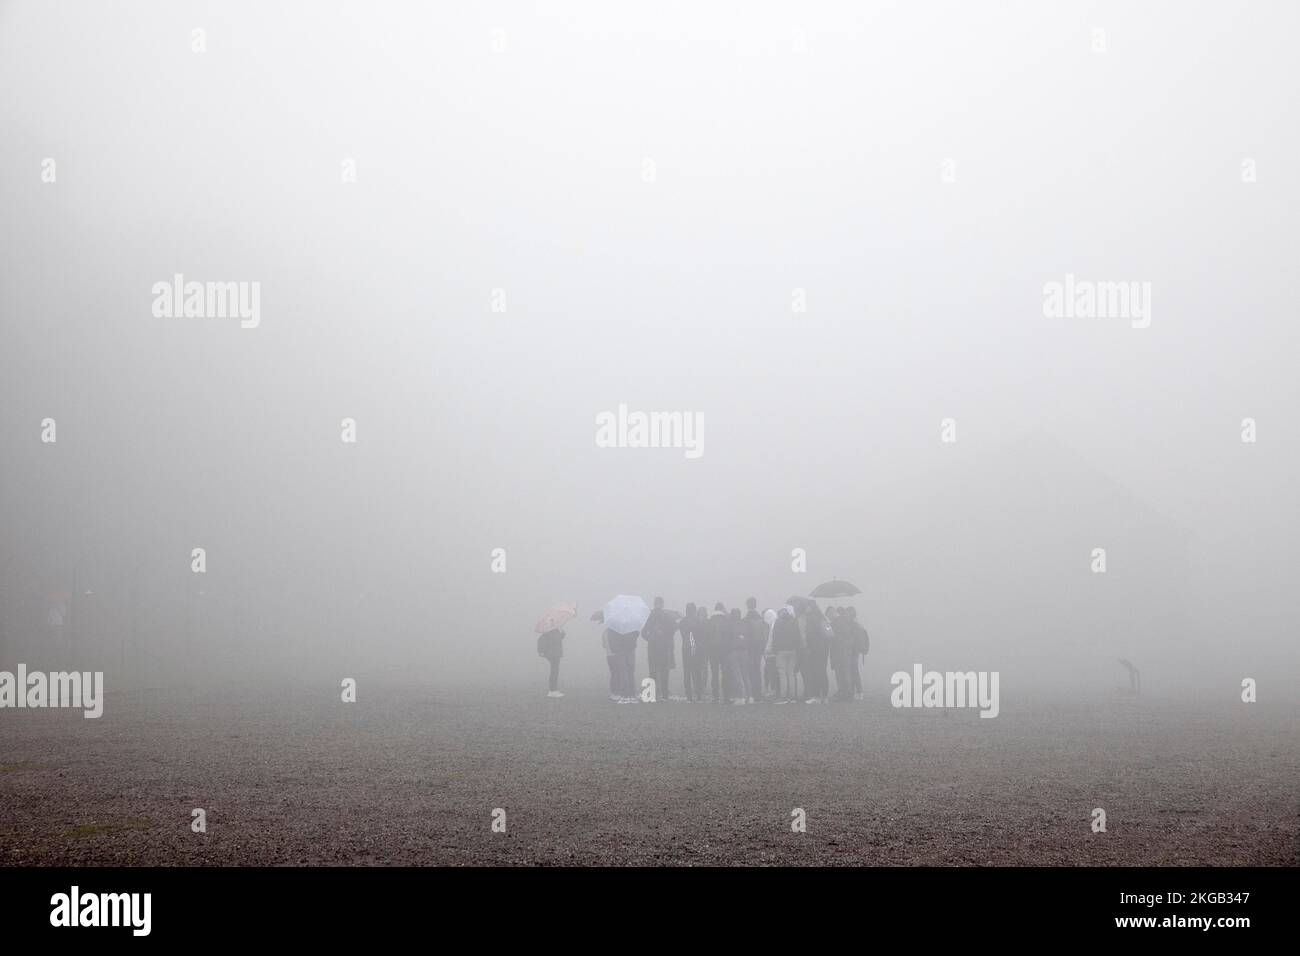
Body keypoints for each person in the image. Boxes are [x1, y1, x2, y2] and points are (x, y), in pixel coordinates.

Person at [642, 597, 676, 702]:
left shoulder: (649, 616)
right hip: (664, 647)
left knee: (652, 671)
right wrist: (665, 636)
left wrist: (650, 638)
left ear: (654, 604)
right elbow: (673, 630)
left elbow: (643, 633)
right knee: (664, 671)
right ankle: (665, 695)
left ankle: (652, 694)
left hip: (652, 648)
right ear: (662, 604)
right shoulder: (667, 616)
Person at [770, 606, 800, 702]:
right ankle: (792, 696)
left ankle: (784, 695)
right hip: (793, 650)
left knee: (782, 673)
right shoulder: (794, 622)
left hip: (781, 650)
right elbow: (797, 636)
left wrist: (774, 650)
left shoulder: (778, 622)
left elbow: (774, 637)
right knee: (791, 673)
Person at [801, 607, 831, 703]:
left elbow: (809, 636)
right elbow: (830, 635)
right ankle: (825, 696)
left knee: (815, 672)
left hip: (814, 650)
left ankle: (817, 696)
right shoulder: (823, 619)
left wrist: (808, 647)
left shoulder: (810, 619)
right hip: (824, 649)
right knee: (822, 672)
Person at [741, 597, 766, 703]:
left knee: (751, 671)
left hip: (750, 648)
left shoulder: (747, 618)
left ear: (748, 605)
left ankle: (752, 694)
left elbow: (744, 633)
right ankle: (758, 694)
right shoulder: (760, 618)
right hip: (759, 647)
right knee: (757, 670)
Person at [679, 604, 702, 702]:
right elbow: (701, 635)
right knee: (697, 671)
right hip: (696, 648)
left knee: (687, 672)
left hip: (686, 648)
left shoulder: (683, 622)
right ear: (694, 610)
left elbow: (683, 635)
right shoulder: (698, 621)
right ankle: (698, 694)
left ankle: (689, 696)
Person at [705, 603, 728, 703]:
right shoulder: (726, 621)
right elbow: (729, 635)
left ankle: (715, 696)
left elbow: (706, 636)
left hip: (712, 650)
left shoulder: (710, 621)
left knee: (714, 673)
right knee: (725, 672)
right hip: (724, 650)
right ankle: (726, 696)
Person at [725, 607, 746, 704]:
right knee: (744, 674)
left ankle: (740, 696)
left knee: (736, 674)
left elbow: (728, 638)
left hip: (733, 651)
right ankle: (748, 696)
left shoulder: (730, 625)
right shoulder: (743, 624)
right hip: (744, 651)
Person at [537, 627, 566, 697]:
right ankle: (553, 690)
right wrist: (562, 632)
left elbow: (559, 638)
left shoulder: (550, 631)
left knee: (554, 671)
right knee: (554, 671)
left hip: (552, 654)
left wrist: (563, 633)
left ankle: (553, 690)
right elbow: (556, 639)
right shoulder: (551, 631)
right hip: (553, 654)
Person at [847, 607, 868, 700]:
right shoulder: (857, 624)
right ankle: (856, 692)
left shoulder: (854, 625)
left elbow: (854, 639)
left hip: (853, 651)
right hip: (854, 651)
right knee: (853, 671)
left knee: (853, 671)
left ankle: (858, 692)